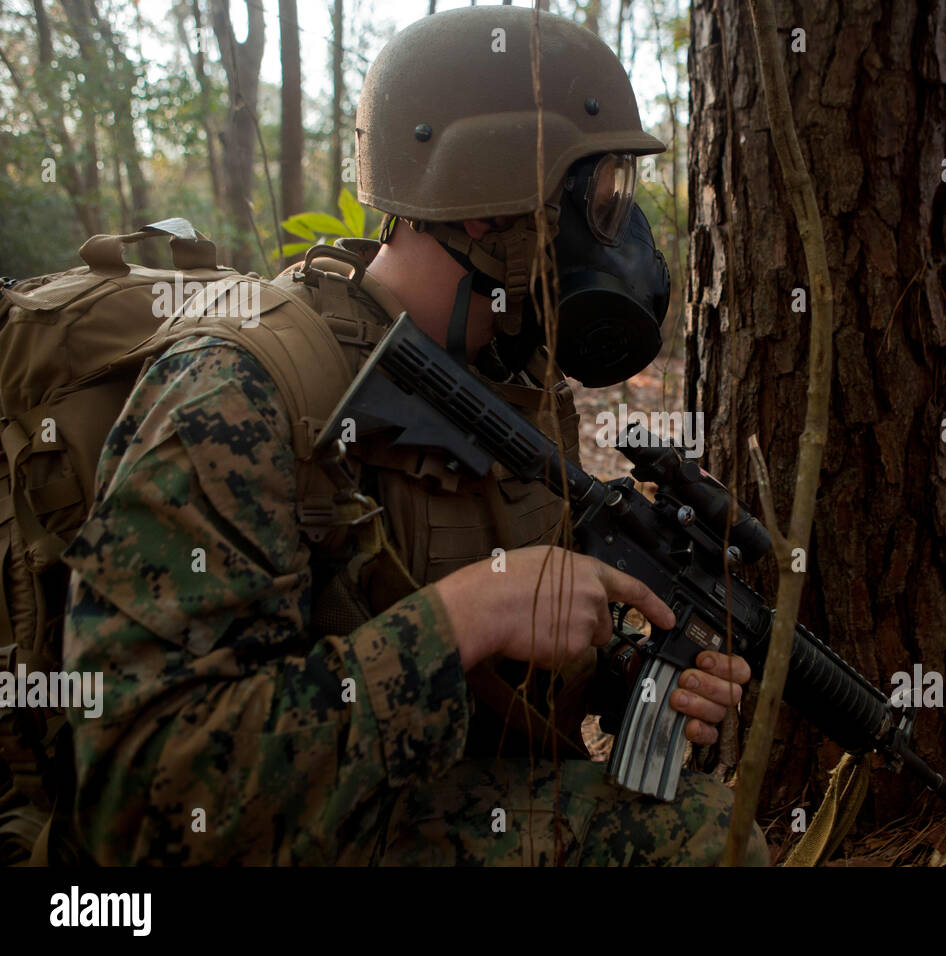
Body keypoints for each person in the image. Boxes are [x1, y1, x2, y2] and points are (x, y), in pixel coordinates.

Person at [60, 7, 770, 866]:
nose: (617, 232)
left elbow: (496, 683)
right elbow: (137, 804)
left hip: (395, 803)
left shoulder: (514, 386)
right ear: (486, 209)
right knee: (694, 842)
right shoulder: (240, 392)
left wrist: (633, 679)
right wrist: (461, 617)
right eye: (598, 194)